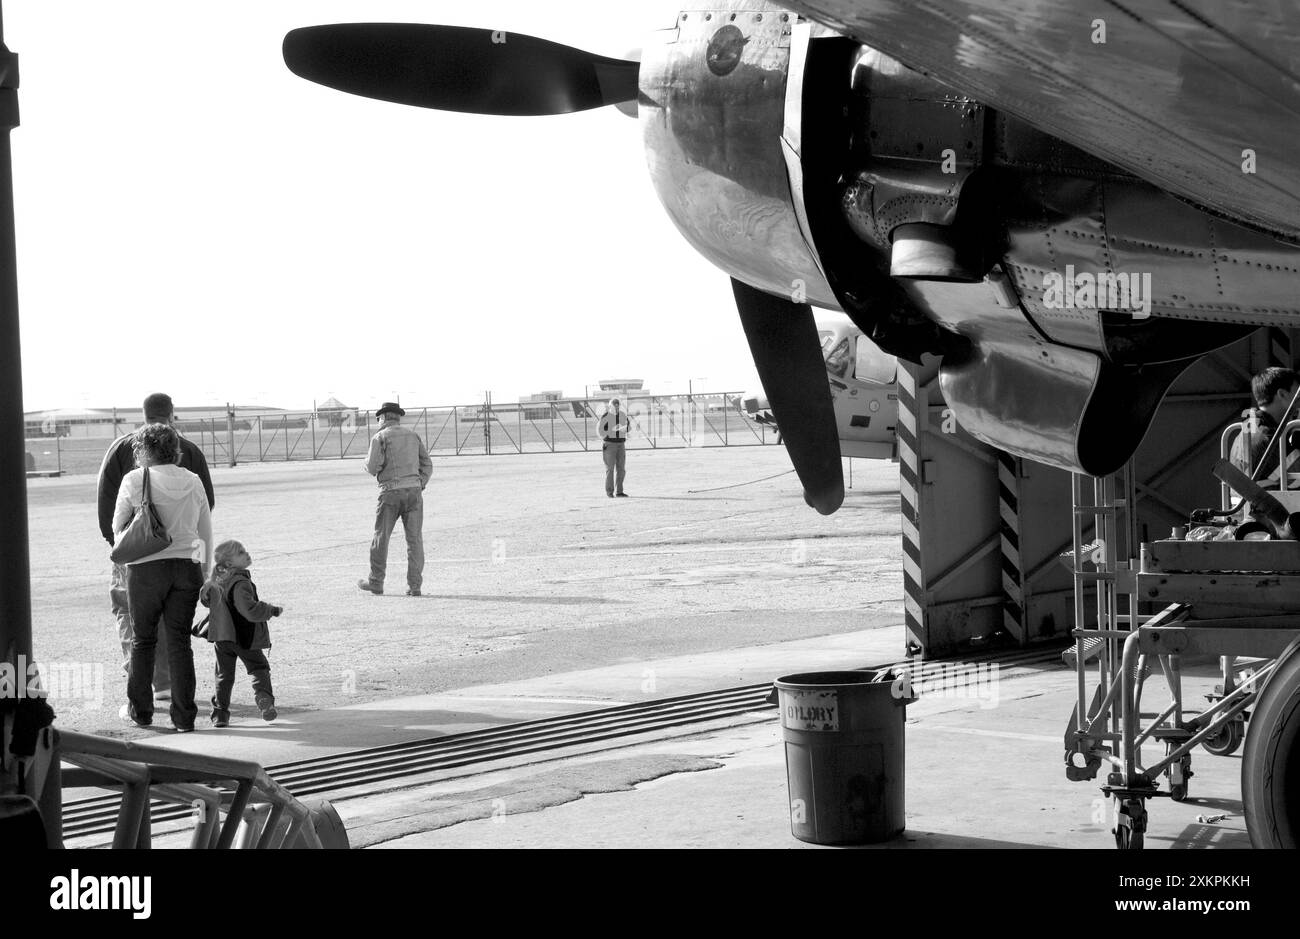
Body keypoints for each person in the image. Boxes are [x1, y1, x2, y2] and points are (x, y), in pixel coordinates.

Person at [97, 392, 215, 703]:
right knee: (179, 640)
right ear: (172, 415)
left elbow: (109, 513)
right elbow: (206, 518)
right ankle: (182, 709)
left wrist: (121, 548)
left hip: (138, 559)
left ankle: (141, 702)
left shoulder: (126, 461)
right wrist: (204, 568)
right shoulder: (191, 463)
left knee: (137, 630)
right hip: (186, 562)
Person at [199, 540, 282, 727]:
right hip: (242, 636)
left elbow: (205, 600)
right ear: (229, 563)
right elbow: (249, 610)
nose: (246, 554)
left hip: (221, 637)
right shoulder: (240, 583)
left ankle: (220, 714)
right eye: (241, 553)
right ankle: (264, 698)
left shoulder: (215, 580)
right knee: (258, 667)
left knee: (223, 675)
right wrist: (271, 610)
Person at [358, 402, 432, 596]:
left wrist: (366, 464)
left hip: (390, 492)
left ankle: (376, 581)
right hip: (414, 492)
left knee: (381, 537)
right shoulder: (413, 435)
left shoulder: (380, 437)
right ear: (397, 417)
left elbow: (373, 467)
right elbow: (427, 464)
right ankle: (414, 586)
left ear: (383, 418)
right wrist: (419, 483)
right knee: (414, 540)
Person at [1230, 367, 1300, 485]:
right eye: (1298, 396)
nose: (1299, 401)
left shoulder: (1251, 426)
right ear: (1282, 394)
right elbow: (1297, 477)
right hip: (1267, 502)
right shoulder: (1266, 436)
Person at [598, 397, 630, 497]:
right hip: (609, 445)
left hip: (621, 444)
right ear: (610, 406)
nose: (616, 407)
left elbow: (628, 427)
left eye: (617, 405)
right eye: (614, 405)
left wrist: (626, 429)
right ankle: (609, 492)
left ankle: (619, 491)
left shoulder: (622, 415)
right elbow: (601, 432)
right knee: (610, 469)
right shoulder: (606, 416)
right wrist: (613, 429)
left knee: (621, 469)